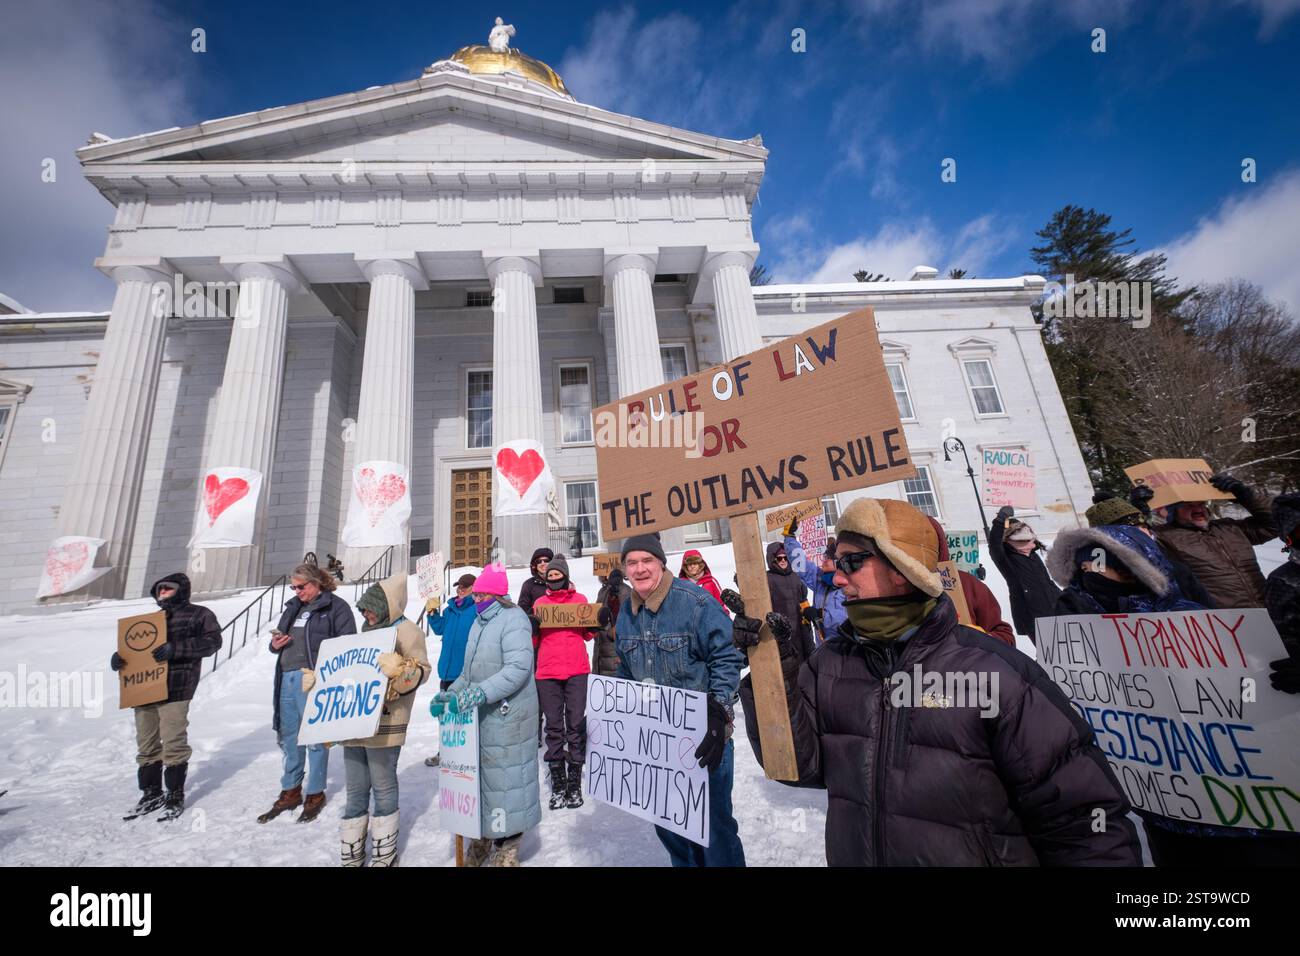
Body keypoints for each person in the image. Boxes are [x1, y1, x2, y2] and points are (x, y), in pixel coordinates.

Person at [737, 497, 1140, 866]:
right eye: (835, 562)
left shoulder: (995, 673)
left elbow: (1086, 823)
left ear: (902, 568)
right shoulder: (830, 665)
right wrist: (774, 672)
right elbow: (797, 767)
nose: (838, 578)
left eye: (851, 562)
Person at [1047, 522, 1300, 865]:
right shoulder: (1074, 640)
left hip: (1243, 810)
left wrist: (1279, 687)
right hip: (1168, 812)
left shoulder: (1196, 624)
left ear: (1137, 567)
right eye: (1085, 566)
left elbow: (1246, 700)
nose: (1092, 573)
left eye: (1103, 563)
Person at [616, 534, 747, 867]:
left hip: (704, 739)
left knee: (713, 829)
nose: (640, 568)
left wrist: (719, 711)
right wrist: (607, 710)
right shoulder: (625, 613)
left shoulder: (696, 603)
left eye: (647, 560)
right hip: (656, 745)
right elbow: (625, 667)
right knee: (671, 828)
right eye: (632, 562)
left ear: (661, 562)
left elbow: (726, 657)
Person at [429, 563, 540, 867]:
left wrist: (480, 693)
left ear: (497, 595)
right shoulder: (478, 622)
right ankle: (485, 835)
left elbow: (517, 670)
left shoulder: (514, 619)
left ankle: (509, 844)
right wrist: (450, 693)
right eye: (475, 594)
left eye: (481, 594)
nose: (476, 599)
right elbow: (469, 672)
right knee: (486, 782)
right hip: (484, 717)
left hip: (509, 716)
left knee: (508, 782)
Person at [111, 573, 222, 821]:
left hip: (176, 688)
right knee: (146, 744)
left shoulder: (199, 614)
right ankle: (150, 793)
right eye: (159, 588)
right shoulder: (148, 621)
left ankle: (174, 794)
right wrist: (120, 659)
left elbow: (213, 642)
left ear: (181, 590)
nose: (162, 591)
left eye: (168, 588)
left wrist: (177, 649)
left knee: (173, 742)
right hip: (144, 689)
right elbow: (136, 650)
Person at [338, 574, 430, 866]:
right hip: (355, 719)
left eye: (369, 608)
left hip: (385, 721)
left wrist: (401, 672)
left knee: (383, 784)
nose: (365, 613)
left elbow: (422, 670)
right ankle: (352, 850)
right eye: (363, 609)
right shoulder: (365, 631)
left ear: (384, 605)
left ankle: (384, 849)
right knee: (355, 788)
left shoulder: (407, 631)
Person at [259, 563, 356, 824]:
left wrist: (328, 672)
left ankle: (315, 791)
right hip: (287, 677)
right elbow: (278, 642)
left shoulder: (336, 607)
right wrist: (274, 644)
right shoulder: (293, 607)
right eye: (294, 587)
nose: (297, 591)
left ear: (316, 584)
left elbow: (348, 644)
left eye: (301, 586)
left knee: (315, 736)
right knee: (289, 735)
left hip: (314, 678)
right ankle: (291, 789)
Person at [1135, 472, 1277, 610]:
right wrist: (1136, 514)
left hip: (1269, 609)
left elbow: (1275, 524)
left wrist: (1246, 496)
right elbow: (1130, 548)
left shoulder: (1229, 527)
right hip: (1223, 621)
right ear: (1173, 511)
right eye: (1189, 505)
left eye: (1201, 504)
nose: (1198, 510)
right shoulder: (1163, 536)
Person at [528, 554, 593, 810]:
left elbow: (587, 634)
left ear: (565, 576)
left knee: (575, 724)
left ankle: (574, 782)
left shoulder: (580, 601)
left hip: (576, 669)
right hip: (547, 671)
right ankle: (558, 781)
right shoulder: (541, 604)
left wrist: (596, 624)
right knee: (554, 727)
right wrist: (532, 628)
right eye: (550, 576)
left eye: (558, 575)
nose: (554, 579)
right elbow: (533, 642)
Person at [1086, 493, 1214, 607]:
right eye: (1132, 530)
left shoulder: (1176, 570)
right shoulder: (1091, 579)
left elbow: (1211, 614)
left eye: (1144, 526)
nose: (1144, 533)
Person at [926, 516, 1015, 646]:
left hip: (970, 664)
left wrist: (982, 638)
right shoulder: (889, 590)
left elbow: (1005, 638)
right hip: (920, 666)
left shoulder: (966, 583)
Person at [424, 573, 478, 767]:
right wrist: (432, 613)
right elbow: (439, 629)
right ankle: (445, 750)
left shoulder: (476, 610)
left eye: (465, 586)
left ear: (474, 587)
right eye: (458, 586)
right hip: (446, 671)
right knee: (445, 714)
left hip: (465, 673)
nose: (460, 589)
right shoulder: (450, 609)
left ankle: (467, 752)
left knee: (464, 714)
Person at [987, 504, 1060, 644]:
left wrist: (1063, 598)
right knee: (1048, 653)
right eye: (1021, 541)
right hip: (1031, 615)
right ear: (1009, 540)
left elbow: (1046, 581)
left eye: (1029, 540)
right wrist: (1001, 519)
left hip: (1055, 608)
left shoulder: (1033, 555)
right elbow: (994, 545)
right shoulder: (1006, 559)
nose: (1028, 544)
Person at [783, 521, 846, 640]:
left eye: (829, 558)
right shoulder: (820, 579)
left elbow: (849, 617)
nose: (824, 560)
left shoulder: (850, 583)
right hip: (824, 648)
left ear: (839, 562)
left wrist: (820, 615)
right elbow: (800, 564)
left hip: (847, 650)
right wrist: (789, 537)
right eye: (825, 556)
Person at [764, 540, 814, 663]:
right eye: (779, 558)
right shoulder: (767, 579)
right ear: (772, 559)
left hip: (801, 627)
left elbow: (804, 600)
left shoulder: (797, 576)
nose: (783, 561)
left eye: (785, 558)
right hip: (781, 633)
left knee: (805, 663)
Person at [593, 568, 630, 677]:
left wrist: (617, 590)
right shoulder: (603, 591)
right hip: (601, 650)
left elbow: (626, 618)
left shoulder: (624, 590)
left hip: (614, 653)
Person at [678, 549, 728, 613]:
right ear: (685, 566)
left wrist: (726, 619)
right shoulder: (681, 585)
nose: (692, 566)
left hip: (711, 620)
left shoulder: (711, 581)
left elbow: (722, 604)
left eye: (695, 563)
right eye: (689, 564)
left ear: (700, 564)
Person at [517, 548, 554, 616]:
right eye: (539, 561)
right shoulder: (528, 585)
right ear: (535, 565)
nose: (542, 563)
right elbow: (522, 609)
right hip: (537, 624)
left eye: (546, 560)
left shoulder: (562, 582)